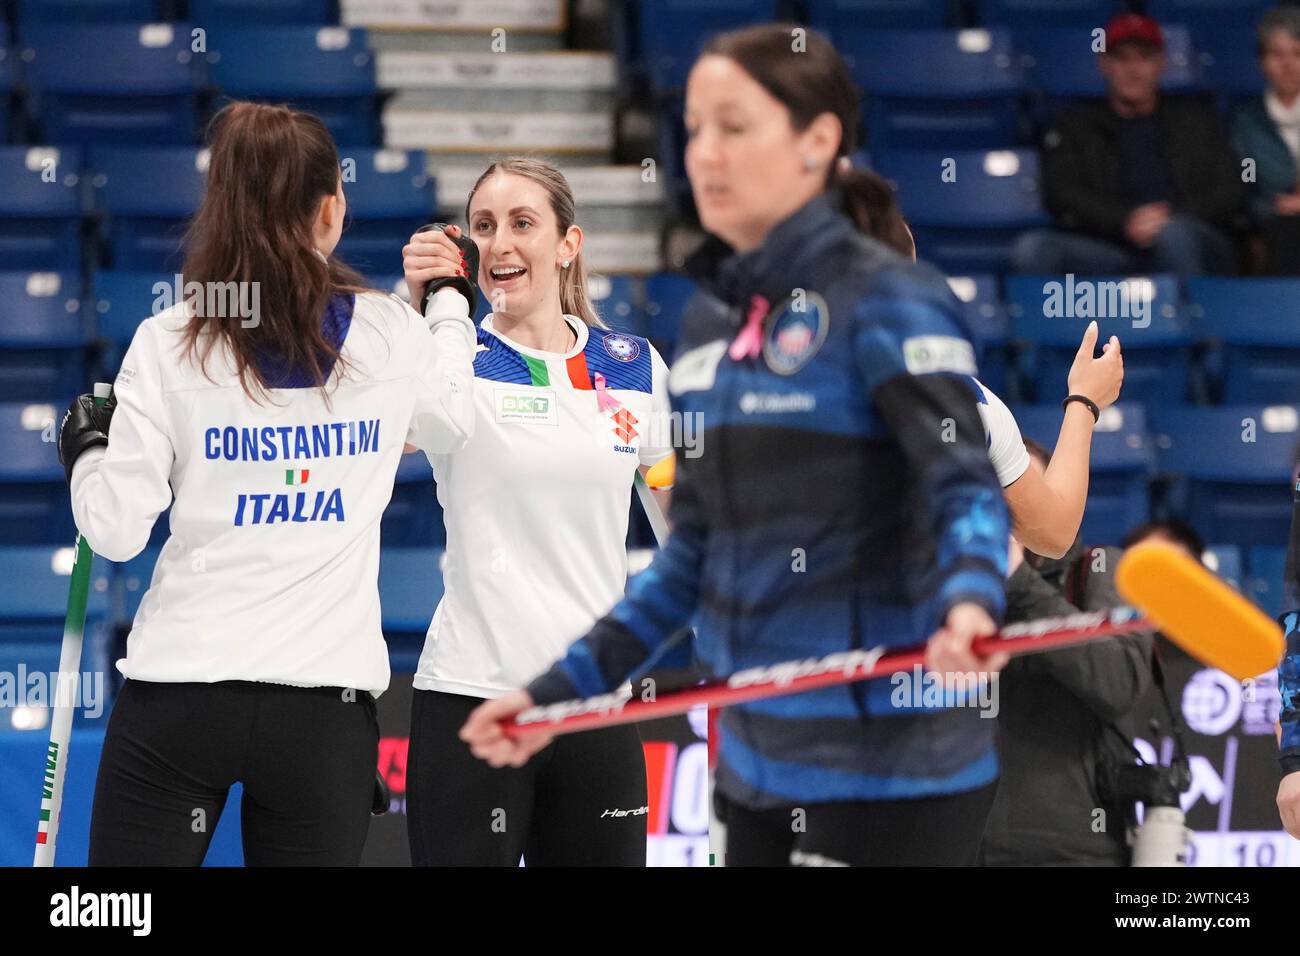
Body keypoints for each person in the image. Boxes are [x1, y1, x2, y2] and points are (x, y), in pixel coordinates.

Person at [461, 23, 1014, 867]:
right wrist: (550, 696)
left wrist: (971, 598)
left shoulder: (893, 298)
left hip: (897, 776)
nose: (705, 155)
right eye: (694, 129)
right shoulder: (710, 322)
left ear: (816, 142)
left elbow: (965, 487)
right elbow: (693, 559)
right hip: (755, 770)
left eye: (735, 127)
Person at [60, 102, 477, 866]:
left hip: (181, 696)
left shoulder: (173, 338)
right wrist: (448, 304)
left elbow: (114, 530)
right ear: (333, 210)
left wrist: (86, 448)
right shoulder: (391, 333)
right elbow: (452, 421)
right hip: (322, 714)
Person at [399, 157, 675, 867]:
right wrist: (419, 308)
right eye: (485, 227)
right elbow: (378, 438)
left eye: (523, 224)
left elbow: (683, 520)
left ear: (567, 244)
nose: (500, 245)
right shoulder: (452, 357)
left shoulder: (634, 367)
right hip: (470, 699)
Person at [978, 439, 1154, 866]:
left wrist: (1018, 581)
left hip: (1069, 847)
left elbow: (1119, 683)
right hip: (952, 841)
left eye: (1027, 489)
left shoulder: (1100, 568)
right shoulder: (943, 583)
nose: (1017, 509)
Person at [1011, 13, 1243, 280]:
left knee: (1175, 234)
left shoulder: (1198, 120)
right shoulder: (1076, 125)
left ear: (1161, 64)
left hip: (1191, 238)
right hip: (1111, 246)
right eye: (1122, 58)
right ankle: (1050, 323)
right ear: (1104, 65)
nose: (1133, 69)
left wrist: (1171, 216)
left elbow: (1230, 191)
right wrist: (1123, 221)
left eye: (1144, 58)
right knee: (1033, 248)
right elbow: (1060, 192)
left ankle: (1189, 319)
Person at [1231, 5, 1300, 274]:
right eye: (1277, 54)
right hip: (1276, 222)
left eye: (1297, 53)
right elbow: (1244, 182)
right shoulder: (1245, 123)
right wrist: (1273, 205)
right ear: (1262, 62)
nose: (1288, 64)